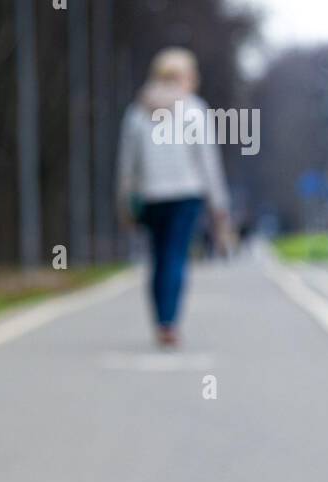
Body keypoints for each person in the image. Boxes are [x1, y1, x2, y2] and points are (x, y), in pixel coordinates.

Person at [117, 48, 231, 347]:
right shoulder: (194, 109)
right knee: (176, 257)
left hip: (151, 196)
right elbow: (207, 161)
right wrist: (219, 205)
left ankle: (160, 321)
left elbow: (127, 164)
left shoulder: (138, 112)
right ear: (186, 77)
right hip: (186, 195)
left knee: (158, 258)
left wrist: (124, 201)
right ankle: (170, 323)